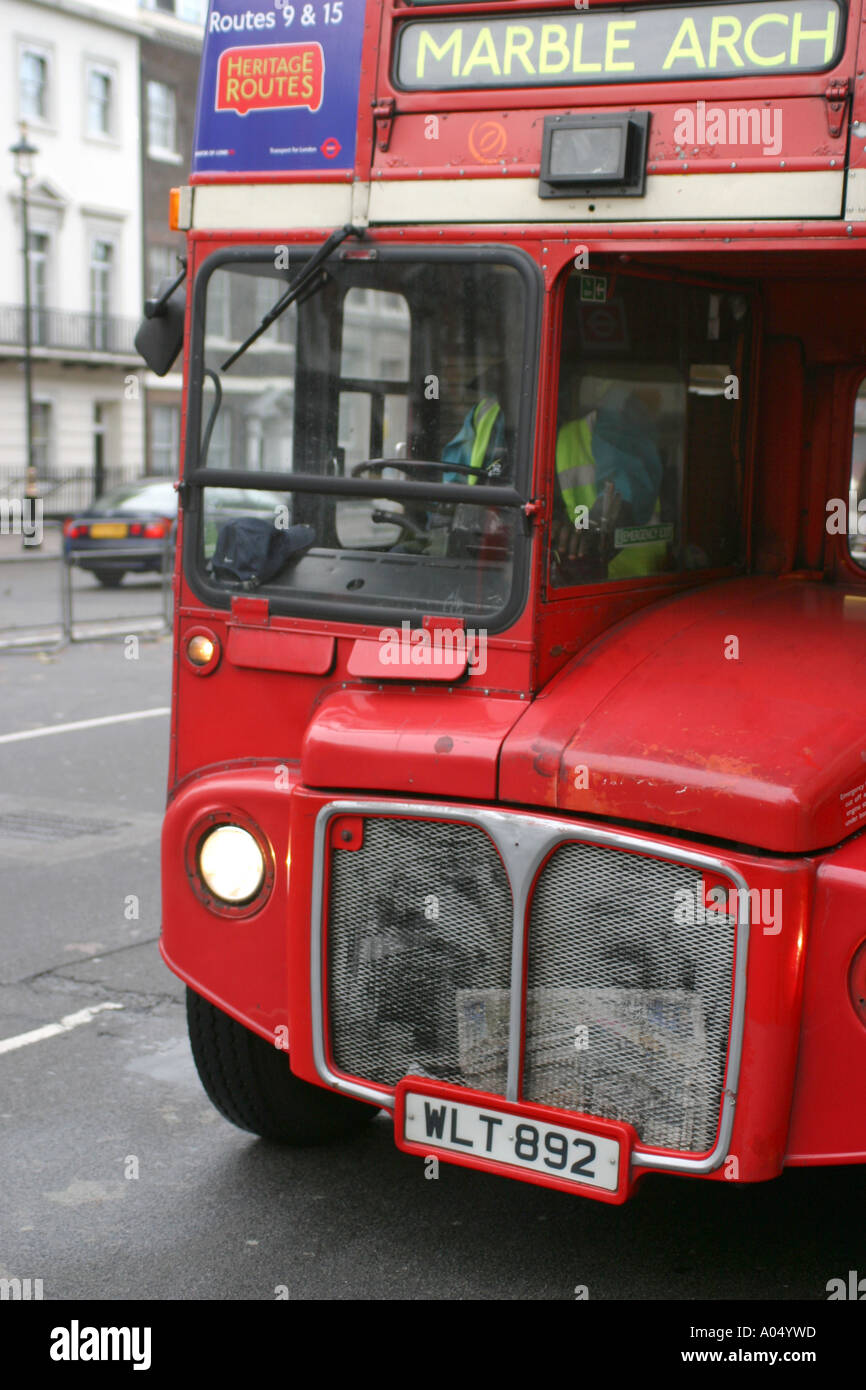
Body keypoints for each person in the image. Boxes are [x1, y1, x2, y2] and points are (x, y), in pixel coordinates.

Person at [554, 381, 667, 581]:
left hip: (631, 583)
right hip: (583, 584)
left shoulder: (619, 420)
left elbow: (625, 489)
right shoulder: (559, 437)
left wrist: (591, 534)